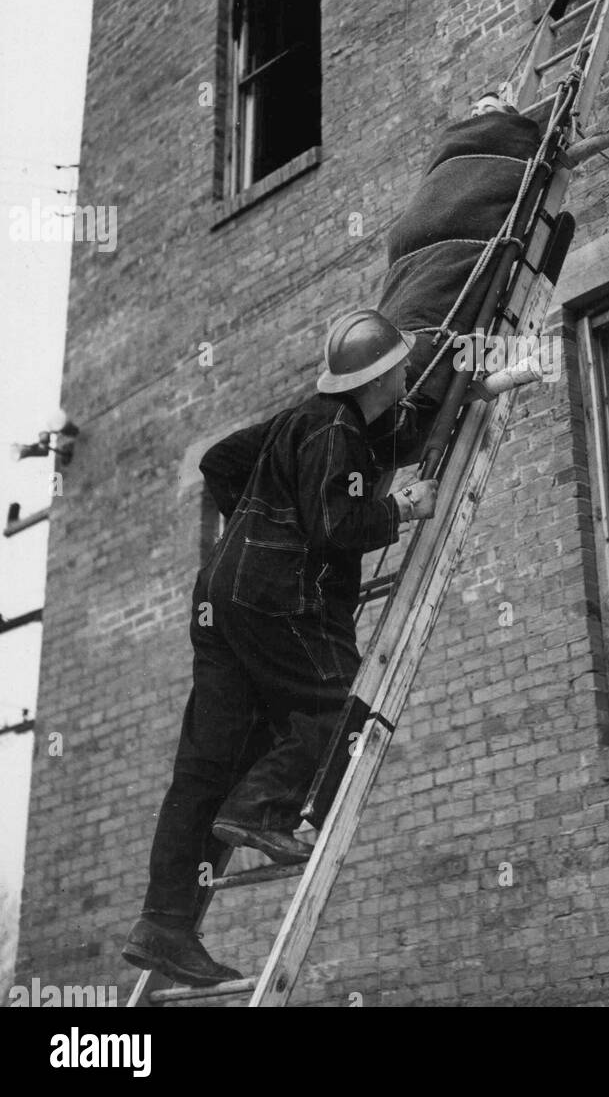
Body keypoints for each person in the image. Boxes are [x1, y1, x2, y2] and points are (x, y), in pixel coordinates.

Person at [122, 310, 438, 987]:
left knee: (208, 763)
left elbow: (219, 462)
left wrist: (258, 523)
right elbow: (334, 524)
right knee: (350, 703)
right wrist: (404, 505)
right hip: (275, 596)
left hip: (222, 598)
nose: (409, 372)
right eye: (402, 365)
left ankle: (164, 924)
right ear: (380, 377)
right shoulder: (339, 431)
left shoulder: (303, 419)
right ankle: (261, 807)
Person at [369, 92, 543, 468]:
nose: (478, 115)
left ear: (507, 117)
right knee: (395, 325)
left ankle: (394, 394)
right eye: (475, 110)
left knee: (423, 331)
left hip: (456, 248)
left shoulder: (499, 142)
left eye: (489, 110)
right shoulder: (450, 152)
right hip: (412, 261)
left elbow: (490, 180)